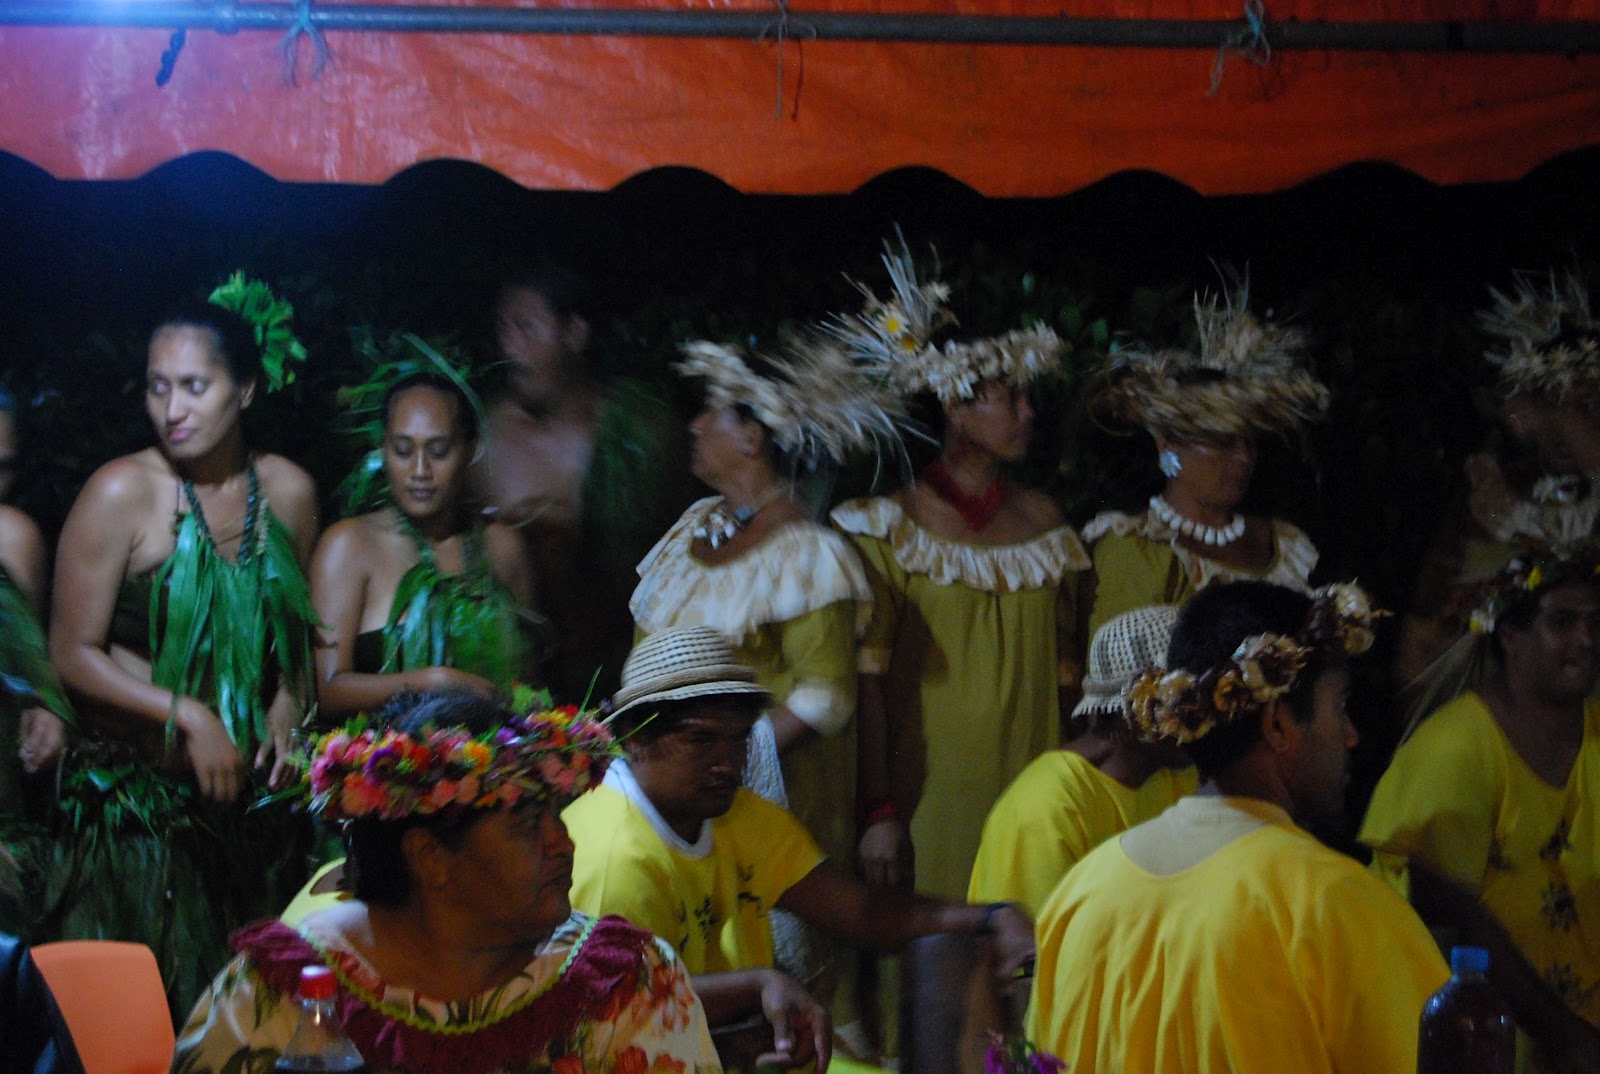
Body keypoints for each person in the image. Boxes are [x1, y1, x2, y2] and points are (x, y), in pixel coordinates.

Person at [174, 690, 722, 1074]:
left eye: (557, 815)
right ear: (430, 855)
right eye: (527, 824)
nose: (563, 842)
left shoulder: (626, 985)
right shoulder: (280, 992)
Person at [564, 627, 1036, 1071]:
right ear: (637, 739)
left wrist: (991, 916)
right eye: (701, 739)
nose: (728, 763)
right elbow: (617, 1010)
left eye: (739, 739)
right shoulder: (615, 857)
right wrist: (756, 993)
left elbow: (863, 913)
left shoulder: (736, 815)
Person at [1026, 580, 1448, 1073]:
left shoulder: (1078, 898)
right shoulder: (1332, 902)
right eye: (1339, 707)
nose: (1351, 736)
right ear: (1277, 725)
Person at [47, 277, 321, 1011]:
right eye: (158, 387)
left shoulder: (289, 492)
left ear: (247, 390)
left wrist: (290, 704)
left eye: (195, 386)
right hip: (140, 823)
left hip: (253, 824)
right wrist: (191, 716)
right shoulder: (120, 493)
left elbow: (296, 639)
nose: (173, 410)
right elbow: (71, 653)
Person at [630, 317, 902, 998]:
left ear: (752, 435)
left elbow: (825, 696)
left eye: (708, 415)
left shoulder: (810, 553)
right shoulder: (692, 527)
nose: (693, 429)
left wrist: (717, 760)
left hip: (764, 804)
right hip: (662, 794)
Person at [828, 244, 1088, 904]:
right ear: (954, 404)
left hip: (1036, 802)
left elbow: (1070, 681)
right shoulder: (888, 528)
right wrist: (878, 812)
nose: (1028, 413)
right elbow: (868, 686)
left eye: (1029, 397)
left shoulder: (1047, 527)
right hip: (926, 809)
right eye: (1009, 398)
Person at [1362, 547, 1600, 1074]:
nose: (1587, 639)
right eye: (1562, 622)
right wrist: (1562, 1034)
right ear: (1509, 638)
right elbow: (1449, 917)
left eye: (1594, 622)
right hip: (1480, 1041)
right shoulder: (1456, 749)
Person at [473, 266, 690, 702]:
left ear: (574, 333)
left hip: (632, 668)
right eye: (503, 328)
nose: (510, 345)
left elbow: (683, 555)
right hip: (523, 687)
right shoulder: (483, 438)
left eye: (527, 327)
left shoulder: (641, 430)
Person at [1081, 285, 1328, 643]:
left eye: (1249, 442)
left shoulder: (1284, 544)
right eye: (1224, 443)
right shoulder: (1132, 548)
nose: (1244, 457)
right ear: (1167, 443)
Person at [1397, 271, 1600, 686]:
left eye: (1581, 408)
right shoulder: (1490, 496)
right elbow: (1426, 627)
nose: (1563, 427)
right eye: (1552, 404)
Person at [312, 368, 536, 715]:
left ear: (469, 449)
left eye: (439, 451)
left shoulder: (502, 547)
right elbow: (328, 689)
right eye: (403, 450)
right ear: (382, 448)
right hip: (381, 764)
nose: (420, 470)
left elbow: (528, 684)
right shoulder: (349, 545)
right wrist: (432, 682)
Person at [966, 604, 1195, 918]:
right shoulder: (1046, 807)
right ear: (1141, 713)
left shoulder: (1177, 777)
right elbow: (1031, 959)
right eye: (1190, 703)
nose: (1209, 718)